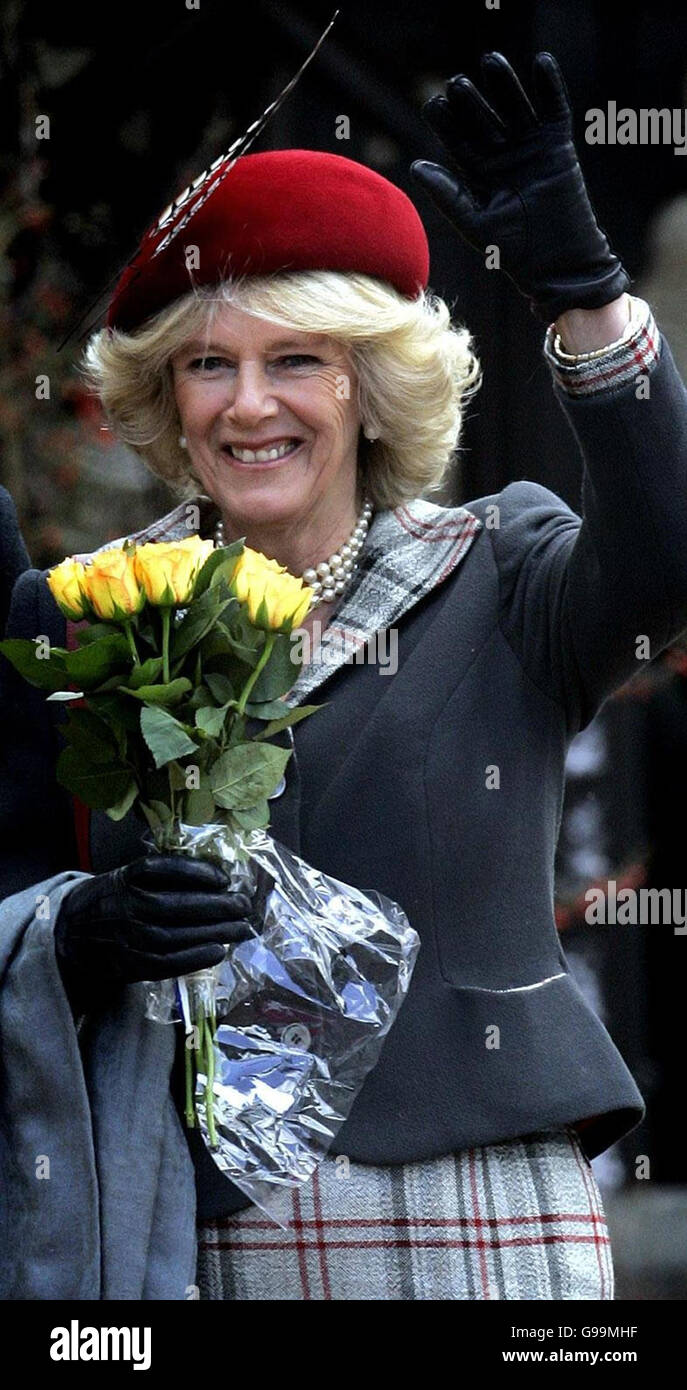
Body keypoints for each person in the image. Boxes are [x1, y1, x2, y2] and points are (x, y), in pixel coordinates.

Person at [2, 50, 687, 1301]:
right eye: (211, 363)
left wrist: (589, 299)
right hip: (184, 1229)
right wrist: (77, 933)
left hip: (479, 1214)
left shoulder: (506, 570)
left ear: (371, 388)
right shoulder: (79, 616)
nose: (249, 405)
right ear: (167, 391)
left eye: (299, 361)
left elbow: (667, 556)